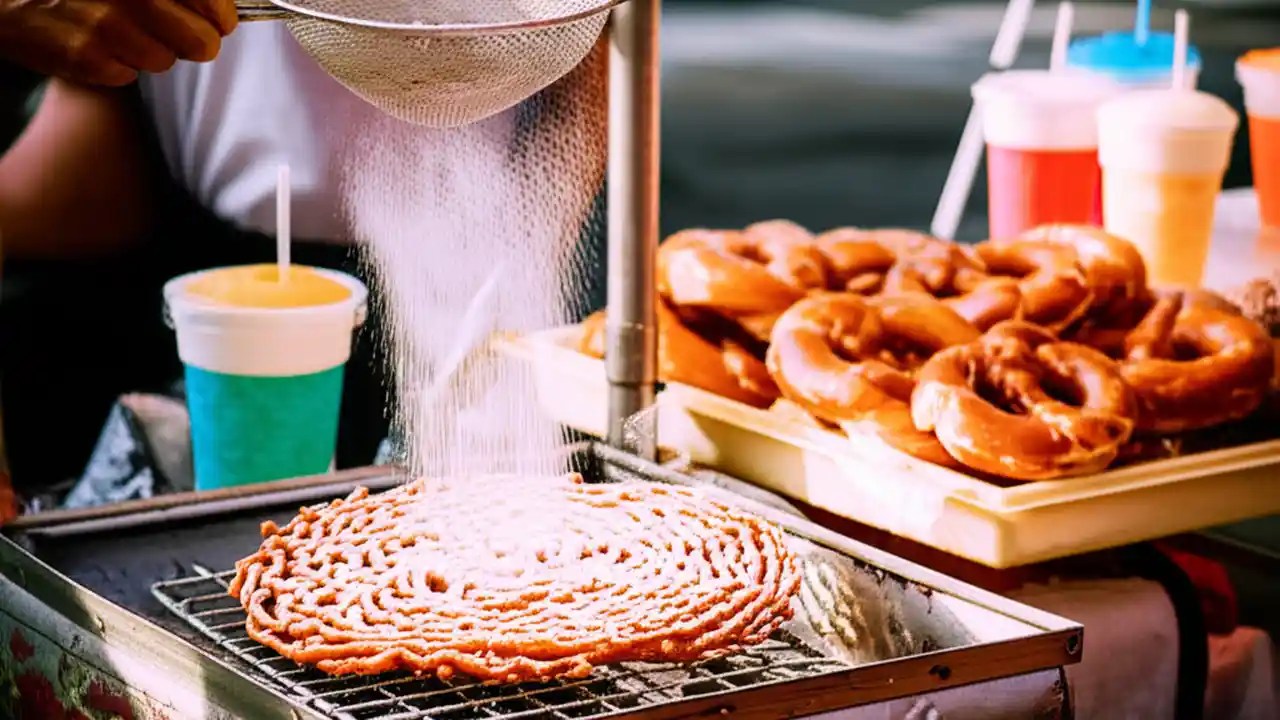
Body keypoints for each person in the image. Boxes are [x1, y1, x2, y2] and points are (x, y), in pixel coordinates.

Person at [0, 21, 605, 503]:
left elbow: (591, 43)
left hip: (478, 255)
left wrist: (531, 245)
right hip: (206, 260)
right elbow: (90, 145)